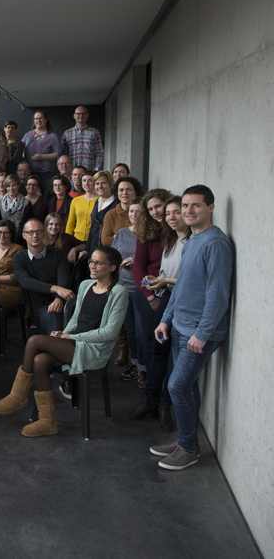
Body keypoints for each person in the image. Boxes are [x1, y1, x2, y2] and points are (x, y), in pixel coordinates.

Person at [0, 246, 126, 437]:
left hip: (93, 350)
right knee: (39, 361)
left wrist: (71, 337)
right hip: (73, 342)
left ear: (112, 268)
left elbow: (109, 333)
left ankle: (18, 396)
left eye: (98, 262)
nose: (92, 265)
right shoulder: (85, 285)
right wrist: (63, 333)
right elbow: (76, 318)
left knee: (35, 340)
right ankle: (48, 422)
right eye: (91, 261)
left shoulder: (119, 293)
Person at [151, 186, 233, 471]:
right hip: (181, 326)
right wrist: (166, 319)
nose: (188, 211)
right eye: (185, 205)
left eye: (195, 205)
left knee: (177, 385)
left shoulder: (216, 243)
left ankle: (188, 447)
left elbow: (218, 295)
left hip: (199, 331)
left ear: (210, 207)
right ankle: (185, 440)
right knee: (187, 385)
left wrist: (202, 333)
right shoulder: (190, 240)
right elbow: (182, 287)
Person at [130, 195, 188, 428]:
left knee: (171, 353)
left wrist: (164, 281)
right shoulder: (169, 237)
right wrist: (153, 289)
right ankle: (150, 399)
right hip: (165, 293)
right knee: (157, 346)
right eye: (152, 209)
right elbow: (141, 267)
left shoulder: (188, 238)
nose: (165, 215)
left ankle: (165, 403)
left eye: (173, 211)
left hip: (177, 294)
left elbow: (188, 276)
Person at [127, 188, 171, 383]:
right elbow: (138, 268)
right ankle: (148, 381)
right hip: (149, 291)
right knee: (148, 337)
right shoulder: (145, 233)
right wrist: (150, 296)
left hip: (171, 291)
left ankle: (161, 386)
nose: (155, 212)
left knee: (165, 341)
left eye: (158, 206)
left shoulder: (178, 232)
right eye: (151, 209)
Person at [13, 218, 74, 335]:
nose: (35, 235)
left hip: (63, 301)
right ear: (24, 235)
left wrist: (58, 298)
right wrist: (56, 289)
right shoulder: (19, 258)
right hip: (40, 305)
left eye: (39, 231)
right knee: (54, 316)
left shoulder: (58, 254)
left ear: (44, 234)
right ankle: (54, 349)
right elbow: (26, 281)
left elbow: (64, 280)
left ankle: (53, 349)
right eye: (30, 232)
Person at [110, 202, 141, 369]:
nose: (134, 214)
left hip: (142, 289)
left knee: (140, 331)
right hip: (123, 287)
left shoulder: (148, 235)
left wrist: (137, 262)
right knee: (129, 329)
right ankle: (134, 364)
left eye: (138, 211)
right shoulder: (122, 233)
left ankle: (142, 366)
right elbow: (113, 257)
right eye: (131, 211)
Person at [0, 220, 25, 310]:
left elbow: (18, 276)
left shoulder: (18, 250)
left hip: (12, 290)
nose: (2, 236)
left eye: (6, 233)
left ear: (11, 234)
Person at [21, 110, 60, 192]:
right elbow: (21, 148)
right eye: (36, 118)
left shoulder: (52, 136)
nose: (38, 120)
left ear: (46, 120)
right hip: (30, 174)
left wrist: (42, 157)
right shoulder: (28, 135)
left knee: (47, 197)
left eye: (40, 118)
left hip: (47, 174)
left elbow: (58, 154)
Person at [60, 105, 104, 172]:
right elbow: (63, 154)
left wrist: (96, 169)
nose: (81, 116)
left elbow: (99, 153)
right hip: (72, 172)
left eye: (83, 113)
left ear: (87, 115)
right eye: (78, 114)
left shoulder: (95, 132)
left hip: (89, 171)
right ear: (74, 116)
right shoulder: (67, 133)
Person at [101, 176, 142, 245]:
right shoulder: (111, 214)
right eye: (121, 190)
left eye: (129, 189)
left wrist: (118, 237)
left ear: (136, 192)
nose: (125, 193)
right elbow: (106, 241)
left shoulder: (143, 212)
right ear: (117, 193)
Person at [86, 171, 117, 253]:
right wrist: (87, 250)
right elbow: (93, 228)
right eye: (97, 183)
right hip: (94, 249)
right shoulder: (97, 202)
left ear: (110, 184)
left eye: (103, 183)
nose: (100, 186)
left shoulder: (117, 204)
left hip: (109, 251)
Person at [65, 170, 97, 243]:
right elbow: (70, 223)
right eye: (84, 180)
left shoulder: (100, 200)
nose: (86, 183)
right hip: (77, 239)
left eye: (90, 180)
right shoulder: (75, 201)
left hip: (93, 240)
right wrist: (67, 241)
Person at [0, 174, 32, 238]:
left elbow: (26, 224)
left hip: (21, 238)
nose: (11, 188)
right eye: (9, 186)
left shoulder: (26, 203)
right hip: (3, 237)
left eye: (14, 185)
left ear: (18, 186)